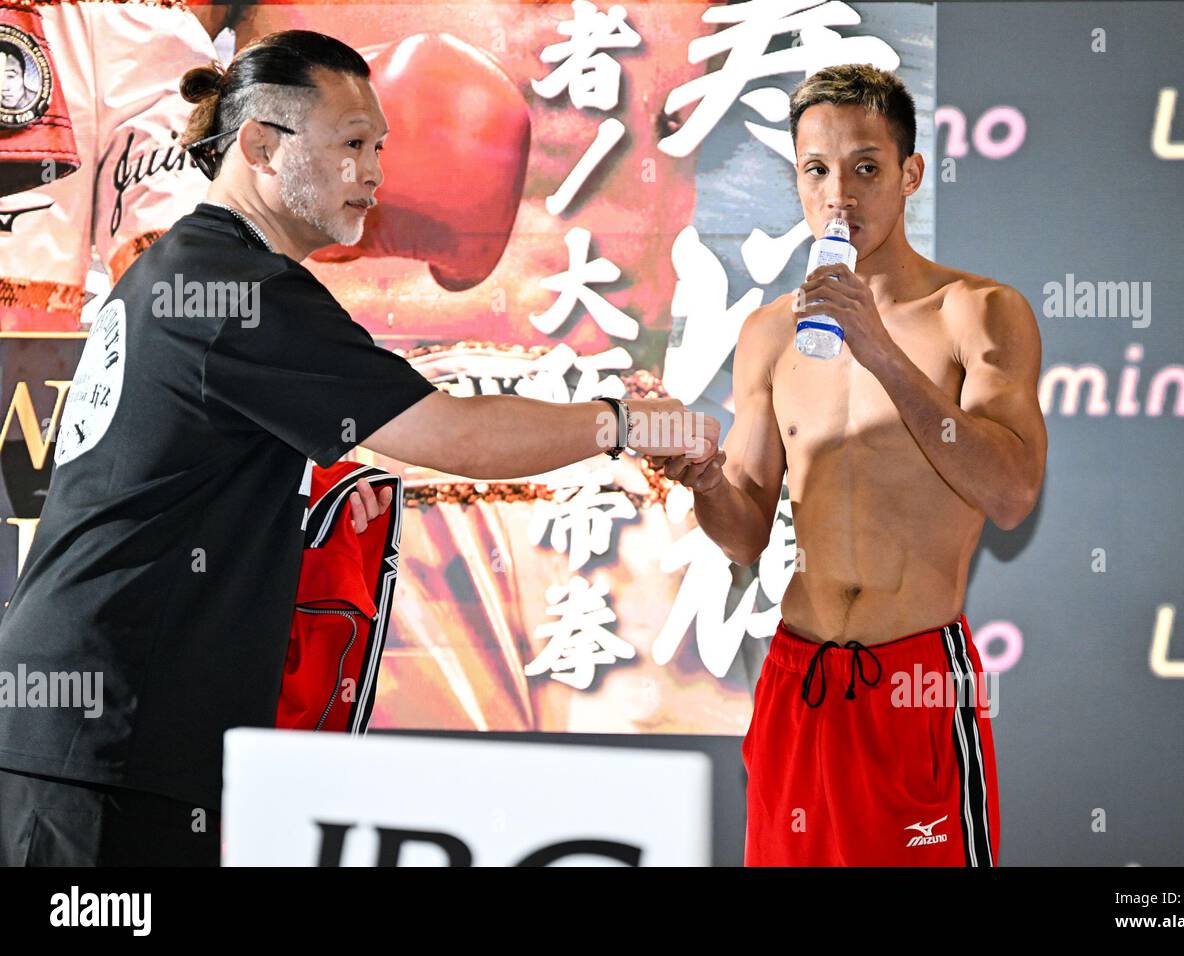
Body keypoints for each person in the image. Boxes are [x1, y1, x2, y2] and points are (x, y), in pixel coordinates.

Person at [0, 29, 717, 866]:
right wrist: (627, 422)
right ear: (263, 147)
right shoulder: (238, 286)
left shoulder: (188, 267)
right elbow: (450, 433)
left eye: (379, 146)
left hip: (101, 739)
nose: (375, 173)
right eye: (350, 144)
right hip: (104, 749)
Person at [651, 63, 1047, 866]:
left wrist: (883, 353)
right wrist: (698, 479)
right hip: (800, 677)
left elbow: (1010, 494)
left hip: (914, 684)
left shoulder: (978, 311)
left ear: (909, 176)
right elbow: (743, 533)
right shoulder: (766, 333)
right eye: (817, 170)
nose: (840, 195)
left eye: (866, 167)